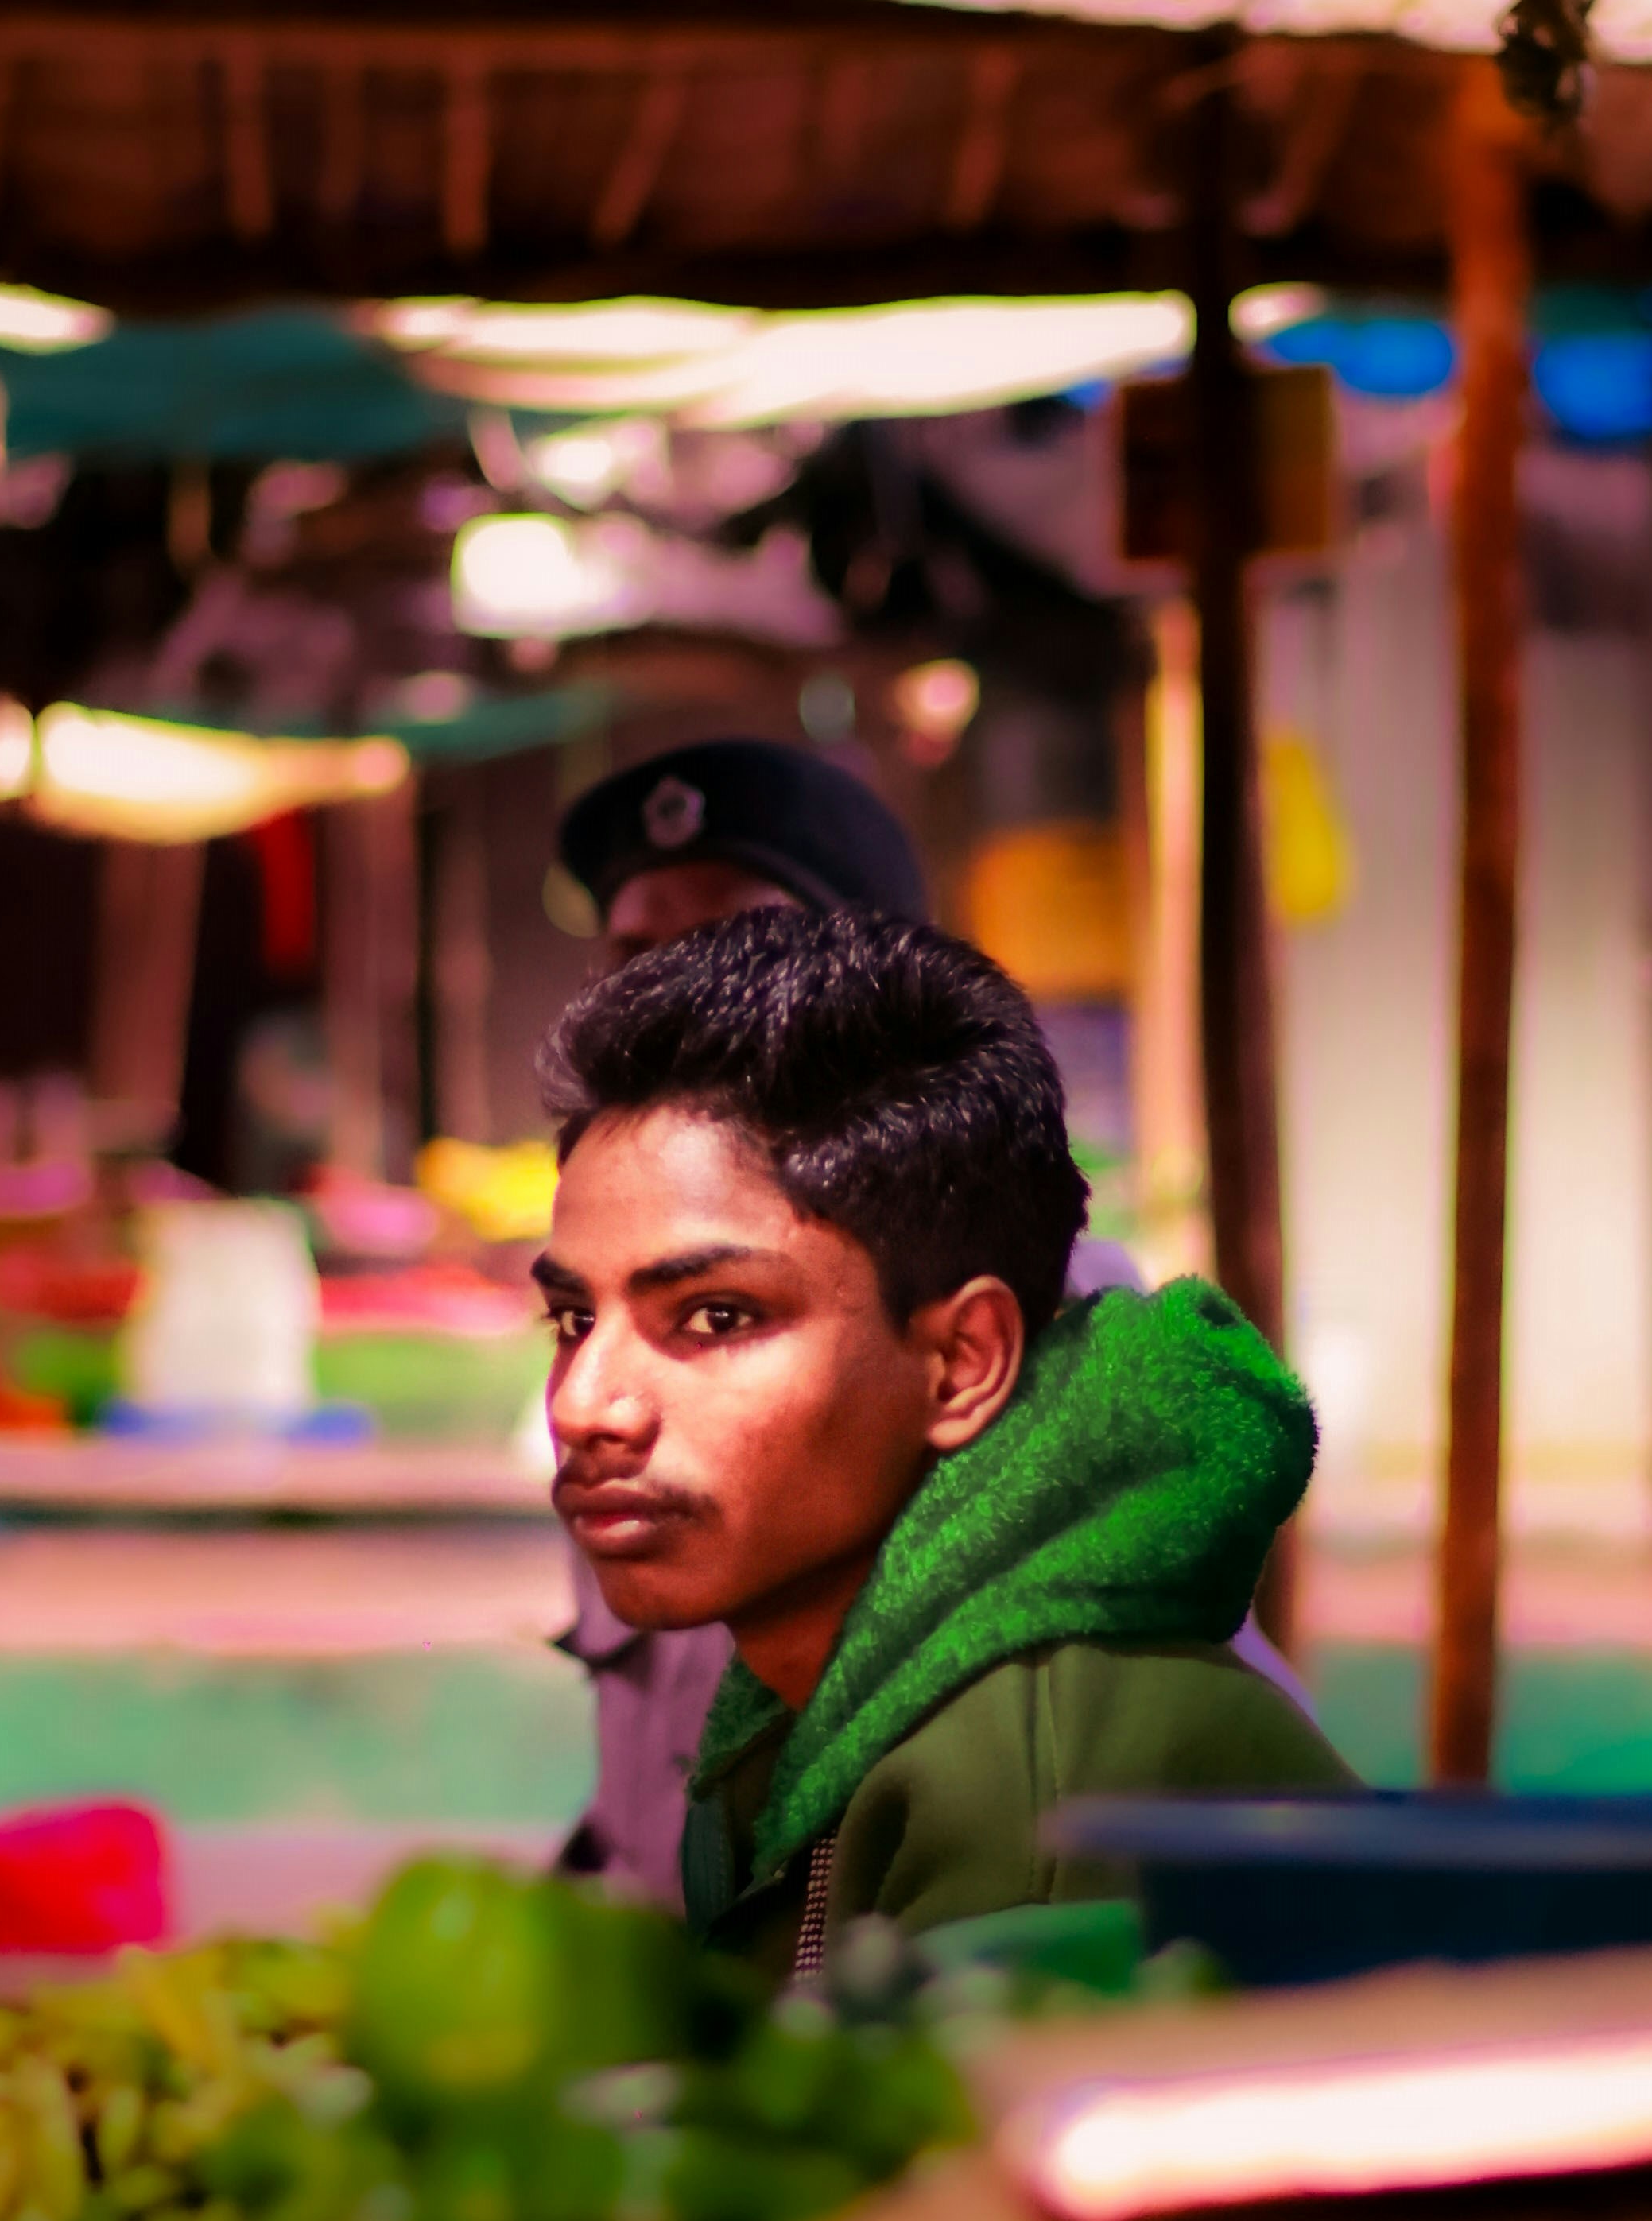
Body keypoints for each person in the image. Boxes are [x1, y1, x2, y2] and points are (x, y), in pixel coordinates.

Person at [535, 906, 1348, 1980]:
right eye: (573, 1320)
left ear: (963, 1363)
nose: (584, 1404)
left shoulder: (1037, 1804)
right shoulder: (817, 1710)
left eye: (717, 1317)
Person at [542, 735, 1176, 1893]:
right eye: (634, 955)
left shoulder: (1048, 1321)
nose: (667, 996)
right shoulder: (619, 1344)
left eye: (734, 945)